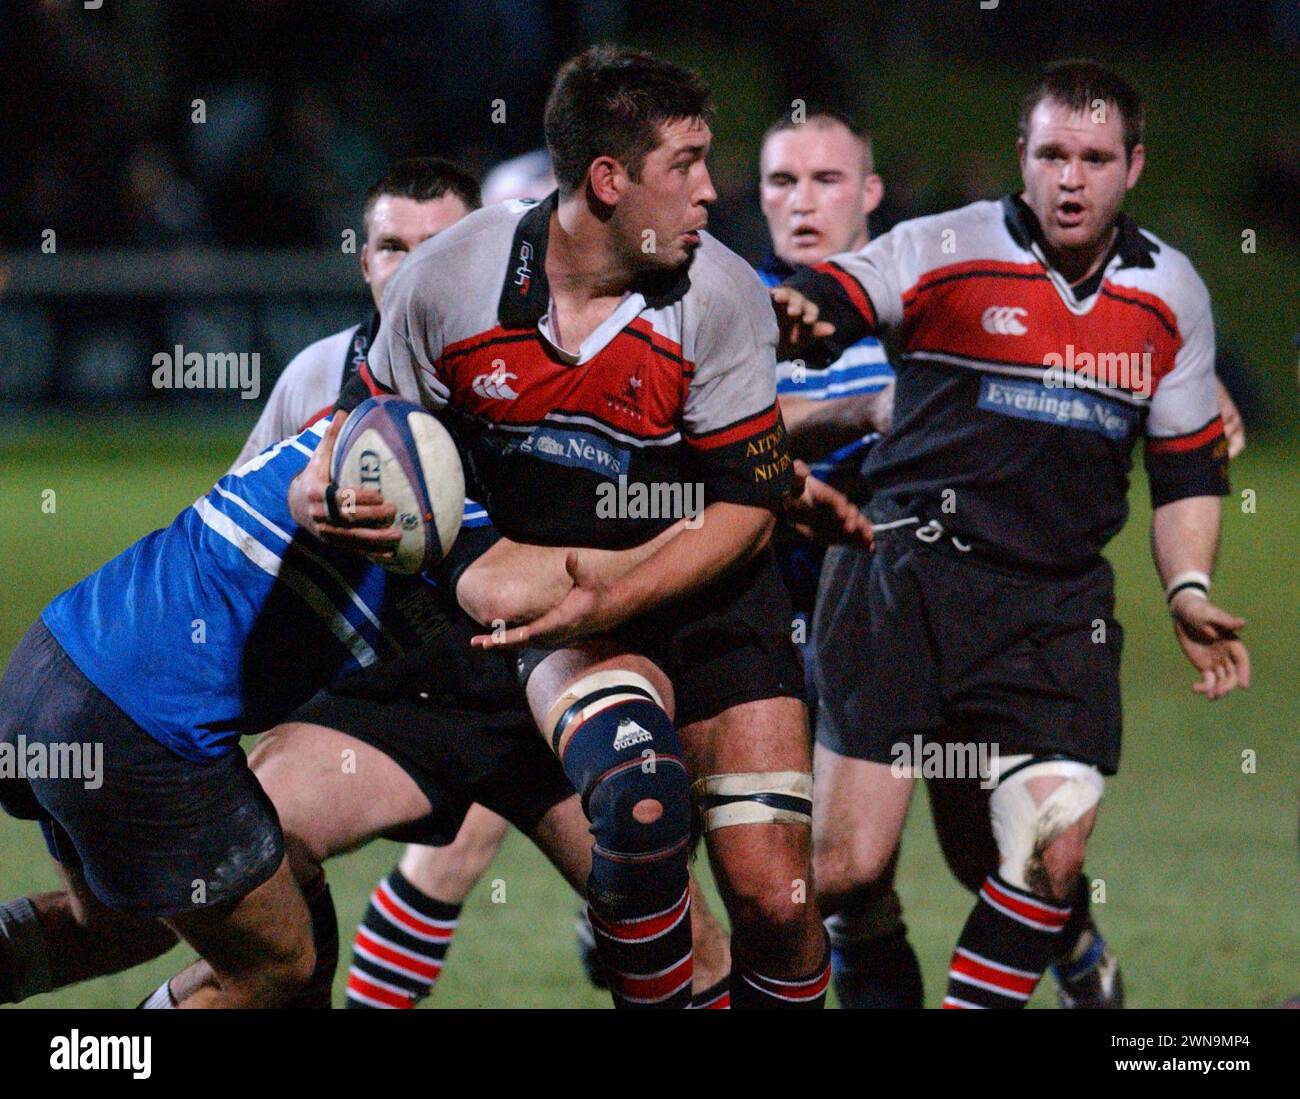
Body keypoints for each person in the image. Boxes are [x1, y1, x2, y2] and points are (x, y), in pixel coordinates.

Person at [292, 45, 870, 1008]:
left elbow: (748, 505)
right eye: (685, 165)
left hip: (714, 595)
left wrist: (621, 585)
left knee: (773, 896)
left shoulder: (718, 294)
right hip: (571, 610)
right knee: (641, 811)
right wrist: (323, 492)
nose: (709, 192)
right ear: (609, 180)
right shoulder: (450, 283)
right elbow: (366, 436)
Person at [777, 59, 1250, 1009]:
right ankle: (1049, 958)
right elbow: (847, 290)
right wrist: (808, 310)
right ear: (1021, 159)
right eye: (1052, 155)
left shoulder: (1171, 295)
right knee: (847, 874)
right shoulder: (947, 244)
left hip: (1054, 605)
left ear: (1134, 166)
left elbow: (1190, 469)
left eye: (1094, 157)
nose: (1071, 178)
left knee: (1052, 842)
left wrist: (1188, 587)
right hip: (899, 576)